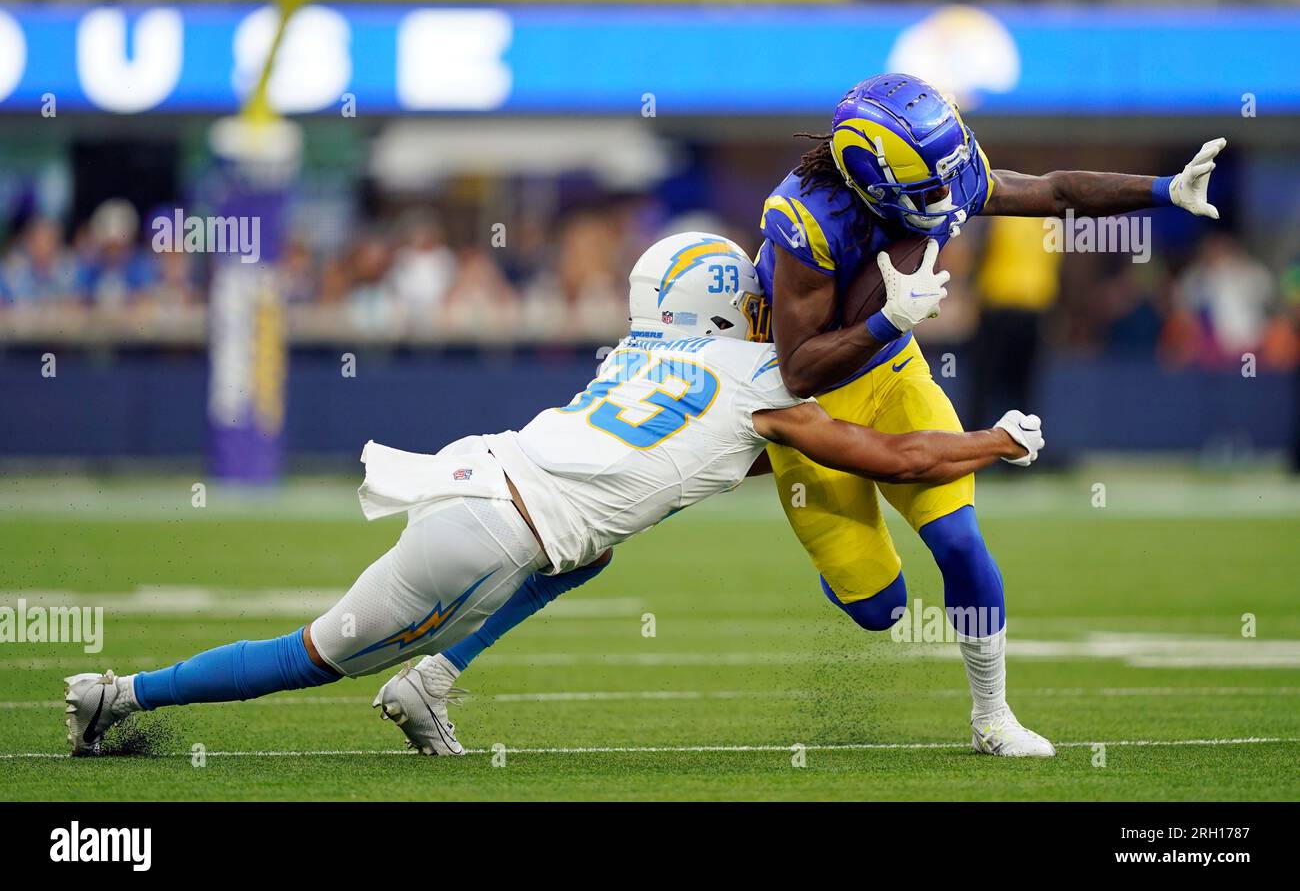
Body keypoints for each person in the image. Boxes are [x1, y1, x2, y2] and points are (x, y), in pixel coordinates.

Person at [63, 231, 1044, 757]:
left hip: (479, 484)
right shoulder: (761, 381)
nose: (763, 306)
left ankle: (427, 682)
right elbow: (894, 456)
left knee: (595, 546)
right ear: (722, 304)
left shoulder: (633, 355)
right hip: (488, 536)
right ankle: (119, 695)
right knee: (313, 656)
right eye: (747, 298)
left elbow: (701, 463)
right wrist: (991, 437)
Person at [751, 73, 1224, 756]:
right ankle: (849, 574)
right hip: (809, 403)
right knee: (881, 611)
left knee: (961, 542)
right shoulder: (807, 218)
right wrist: (889, 319)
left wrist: (1162, 191)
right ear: (871, 178)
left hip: (890, 376)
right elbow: (798, 369)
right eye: (929, 189)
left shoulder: (948, 174)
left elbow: (1056, 192)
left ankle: (992, 717)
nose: (949, 198)